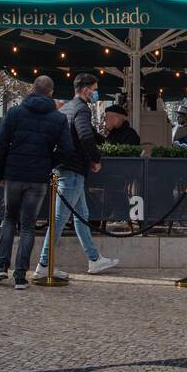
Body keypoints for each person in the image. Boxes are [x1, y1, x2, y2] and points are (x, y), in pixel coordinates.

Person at [0, 76, 76, 289]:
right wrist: (48, 161)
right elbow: (67, 150)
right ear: (51, 92)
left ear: (32, 89)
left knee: (10, 219)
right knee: (28, 226)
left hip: (14, 173)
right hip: (38, 177)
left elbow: (1, 144)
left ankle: (1, 267)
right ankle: (20, 276)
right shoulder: (57, 118)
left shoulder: (16, 112)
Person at [35, 74, 119, 279]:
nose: (96, 93)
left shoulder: (66, 108)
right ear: (86, 90)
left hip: (63, 167)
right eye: (95, 89)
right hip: (73, 170)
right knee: (59, 218)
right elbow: (85, 134)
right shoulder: (82, 108)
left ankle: (94, 259)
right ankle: (44, 264)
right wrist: (95, 158)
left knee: (81, 215)